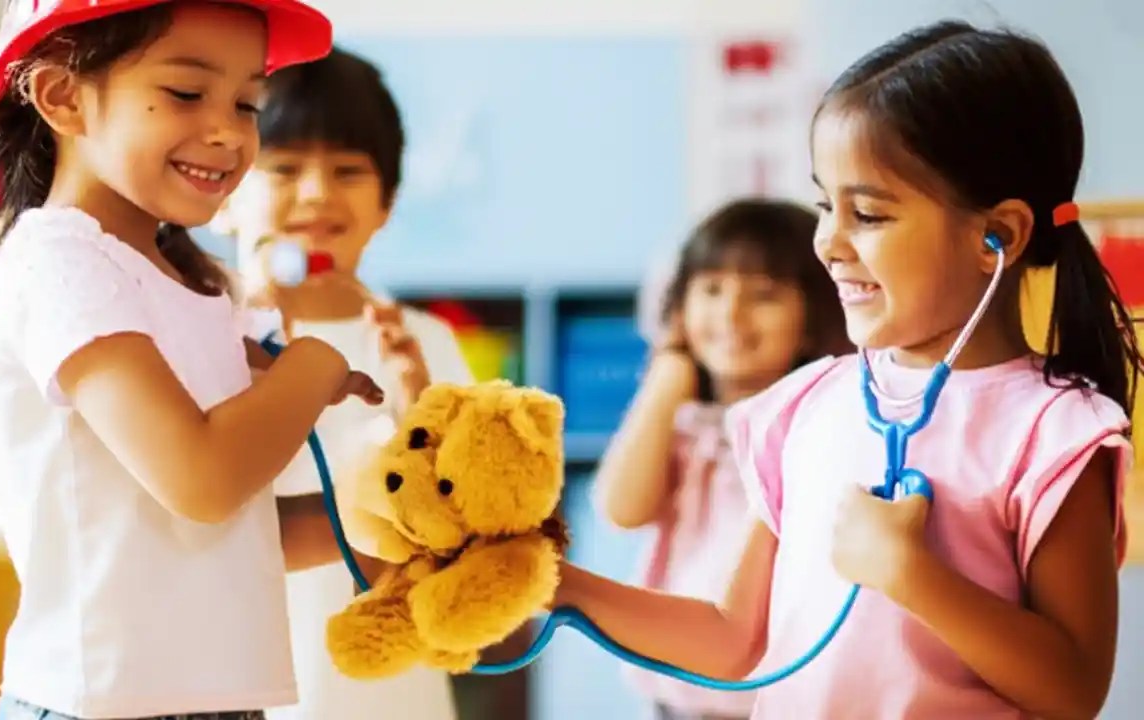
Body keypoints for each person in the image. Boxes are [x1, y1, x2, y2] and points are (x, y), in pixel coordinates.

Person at [556, 20, 1143, 719]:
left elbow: (1073, 688)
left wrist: (911, 575)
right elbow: (735, 638)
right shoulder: (804, 406)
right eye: (823, 205)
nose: (827, 243)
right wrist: (561, 588)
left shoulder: (1054, 431)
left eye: (866, 213)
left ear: (999, 237)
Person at [0, 2, 388, 719]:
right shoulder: (60, 261)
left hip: (198, 702)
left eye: (247, 103)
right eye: (186, 92)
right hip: (103, 705)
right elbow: (203, 481)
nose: (228, 132)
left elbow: (224, 530)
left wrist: (388, 534)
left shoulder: (180, 282)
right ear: (60, 97)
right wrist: (313, 365)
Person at [214, 47, 470, 720]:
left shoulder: (428, 344)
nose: (318, 193)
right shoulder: (199, 339)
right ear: (221, 195)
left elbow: (468, 537)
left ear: (386, 203)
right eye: (285, 168)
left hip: (396, 699)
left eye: (349, 171)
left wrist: (422, 401)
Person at [596, 198, 847, 720]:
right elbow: (622, 509)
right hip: (676, 696)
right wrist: (666, 380)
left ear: (811, 320)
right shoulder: (687, 425)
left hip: (775, 699)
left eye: (763, 295)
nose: (731, 313)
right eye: (711, 289)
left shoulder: (815, 428)